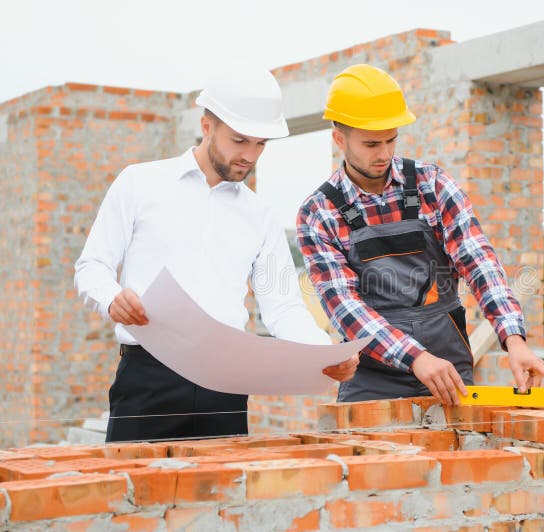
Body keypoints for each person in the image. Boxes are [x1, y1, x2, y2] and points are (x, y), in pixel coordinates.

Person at [75, 70, 358, 442]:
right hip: (148, 379)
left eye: (260, 144)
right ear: (206, 125)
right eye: (239, 140)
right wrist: (112, 298)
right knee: (134, 481)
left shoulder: (260, 215)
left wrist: (325, 354)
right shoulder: (139, 184)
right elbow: (91, 266)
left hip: (225, 385)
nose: (249, 156)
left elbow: (283, 307)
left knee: (224, 482)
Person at [296, 64, 544, 406]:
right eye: (371, 143)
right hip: (373, 379)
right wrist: (416, 357)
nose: (384, 154)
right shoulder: (319, 213)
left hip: (448, 369)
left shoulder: (431, 184)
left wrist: (514, 340)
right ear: (339, 139)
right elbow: (344, 306)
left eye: (391, 139)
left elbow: (478, 261)